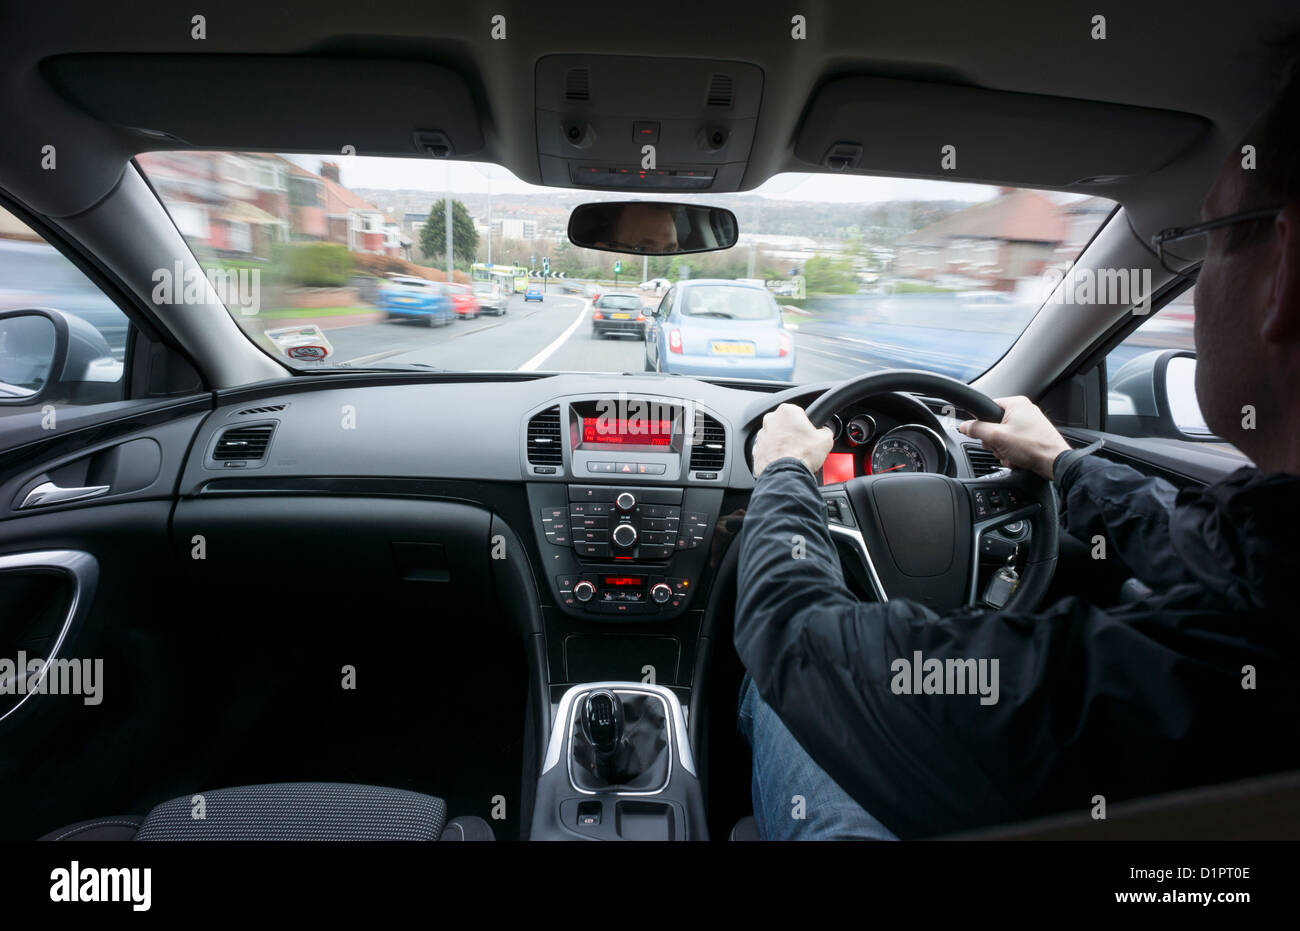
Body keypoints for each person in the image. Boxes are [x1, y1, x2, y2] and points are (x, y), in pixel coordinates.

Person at [734, 48, 1300, 840]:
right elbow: (1202, 549)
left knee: (776, 696)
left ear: (1285, 274)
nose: (1199, 287)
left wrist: (787, 473)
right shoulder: (1268, 583)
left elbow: (791, 640)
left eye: (1207, 242)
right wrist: (1064, 464)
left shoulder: (1204, 665)